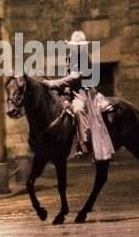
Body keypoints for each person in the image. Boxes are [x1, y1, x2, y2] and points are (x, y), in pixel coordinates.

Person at [44, 30, 113, 159]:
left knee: (78, 108)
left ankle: (85, 143)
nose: (77, 47)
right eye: (75, 45)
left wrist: (54, 83)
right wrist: (61, 88)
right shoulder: (70, 56)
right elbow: (68, 76)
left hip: (84, 90)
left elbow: (75, 77)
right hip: (72, 90)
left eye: (79, 45)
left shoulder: (83, 57)